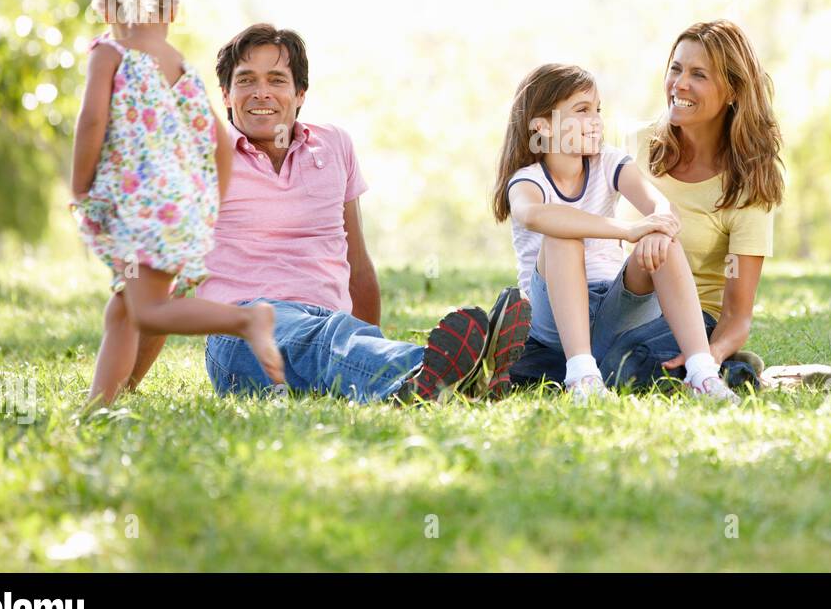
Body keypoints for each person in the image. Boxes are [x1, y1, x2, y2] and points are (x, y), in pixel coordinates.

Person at [122, 23, 527, 403]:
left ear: (300, 94)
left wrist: (373, 343)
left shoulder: (333, 147)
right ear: (226, 95)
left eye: (277, 80)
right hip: (240, 336)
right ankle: (434, 374)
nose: (261, 92)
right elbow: (161, 282)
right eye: (246, 80)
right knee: (311, 334)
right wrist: (124, 385)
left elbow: (357, 264)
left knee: (330, 337)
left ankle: (450, 381)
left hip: (333, 327)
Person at [509, 20, 784, 391]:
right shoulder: (637, 143)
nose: (679, 84)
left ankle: (720, 371)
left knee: (623, 365)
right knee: (555, 358)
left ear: (732, 91)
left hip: (690, 320)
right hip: (608, 305)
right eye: (676, 69)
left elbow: (737, 314)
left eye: (698, 74)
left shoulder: (748, 184)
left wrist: (712, 352)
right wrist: (641, 230)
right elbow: (551, 203)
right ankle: (563, 367)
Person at [71, 0, 283, 407]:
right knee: (124, 311)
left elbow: (92, 121)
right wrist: (209, 206)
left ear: (108, 11)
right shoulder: (181, 67)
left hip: (140, 209)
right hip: (181, 208)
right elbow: (220, 144)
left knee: (148, 312)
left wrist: (79, 183)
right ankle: (98, 407)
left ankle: (247, 321)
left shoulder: (110, 53)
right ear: (170, 13)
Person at [493, 63, 739, 403]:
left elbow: (661, 206)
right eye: (581, 110)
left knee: (661, 239)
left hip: (613, 308)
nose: (595, 120)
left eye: (597, 110)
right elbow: (535, 216)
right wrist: (629, 230)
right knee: (561, 236)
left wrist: (655, 227)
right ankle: (582, 377)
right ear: (542, 125)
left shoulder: (608, 162)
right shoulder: (528, 181)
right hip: (554, 321)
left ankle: (702, 373)